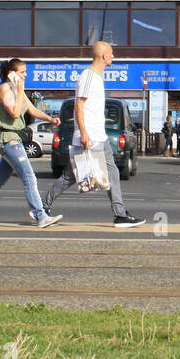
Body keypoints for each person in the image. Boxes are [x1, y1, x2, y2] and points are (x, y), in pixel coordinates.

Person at [42, 41, 145, 228]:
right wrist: (83, 133)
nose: (113, 56)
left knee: (112, 172)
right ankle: (42, 207)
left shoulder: (97, 77)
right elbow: (78, 105)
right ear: (103, 56)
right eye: (111, 53)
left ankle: (120, 214)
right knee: (70, 177)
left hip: (101, 137)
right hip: (89, 138)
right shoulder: (88, 76)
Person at [0, 58, 63, 228]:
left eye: (26, 72)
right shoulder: (4, 89)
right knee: (29, 178)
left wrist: (50, 118)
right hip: (9, 141)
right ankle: (40, 216)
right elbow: (14, 113)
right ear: (11, 74)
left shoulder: (18, 90)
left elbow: (31, 109)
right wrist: (19, 91)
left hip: (15, 140)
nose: (26, 75)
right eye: (22, 72)